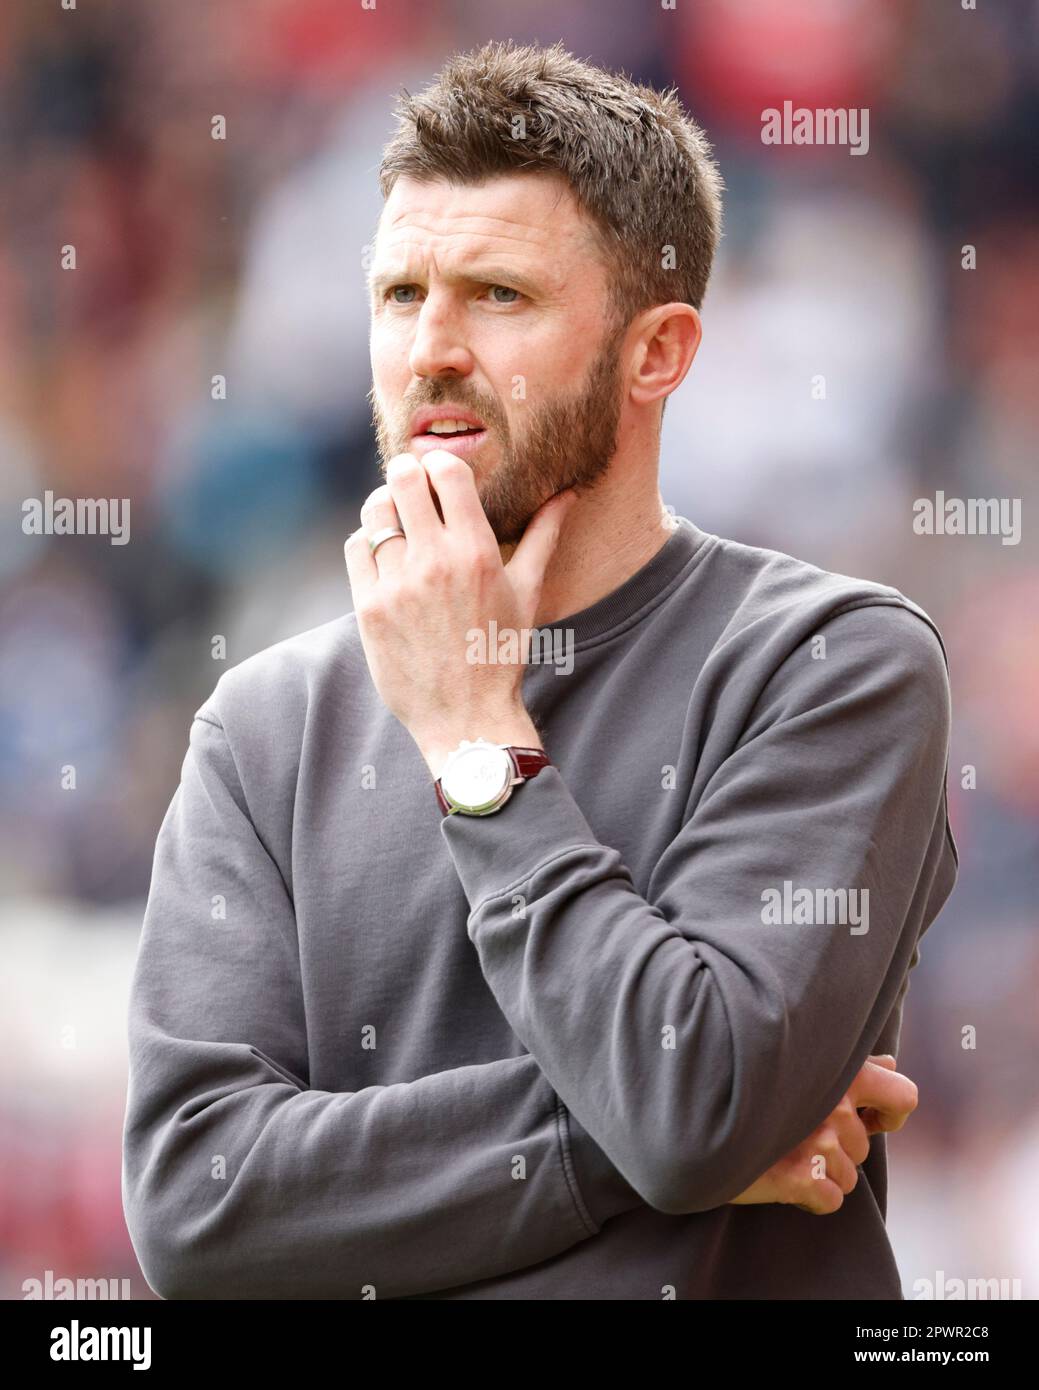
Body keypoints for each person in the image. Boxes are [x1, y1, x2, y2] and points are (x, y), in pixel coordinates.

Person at [121, 39, 958, 1299]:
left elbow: (689, 1101)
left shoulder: (831, 664)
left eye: (498, 295)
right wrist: (652, 1141)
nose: (431, 348)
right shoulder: (264, 721)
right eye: (400, 294)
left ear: (656, 352)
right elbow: (198, 1204)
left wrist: (472, 729)